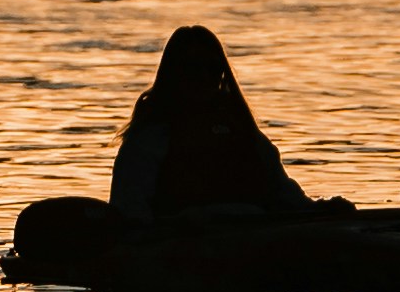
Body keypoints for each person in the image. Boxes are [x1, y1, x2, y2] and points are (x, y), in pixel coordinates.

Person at [107, 22, 306, 223]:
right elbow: (129, 208)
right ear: (174, 73)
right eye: (193, 68)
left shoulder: (243, 131)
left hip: (255, 233)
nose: (203, 77)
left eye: (212, 68)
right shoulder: (150, 138)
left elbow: (286, 194)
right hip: (182, 241)